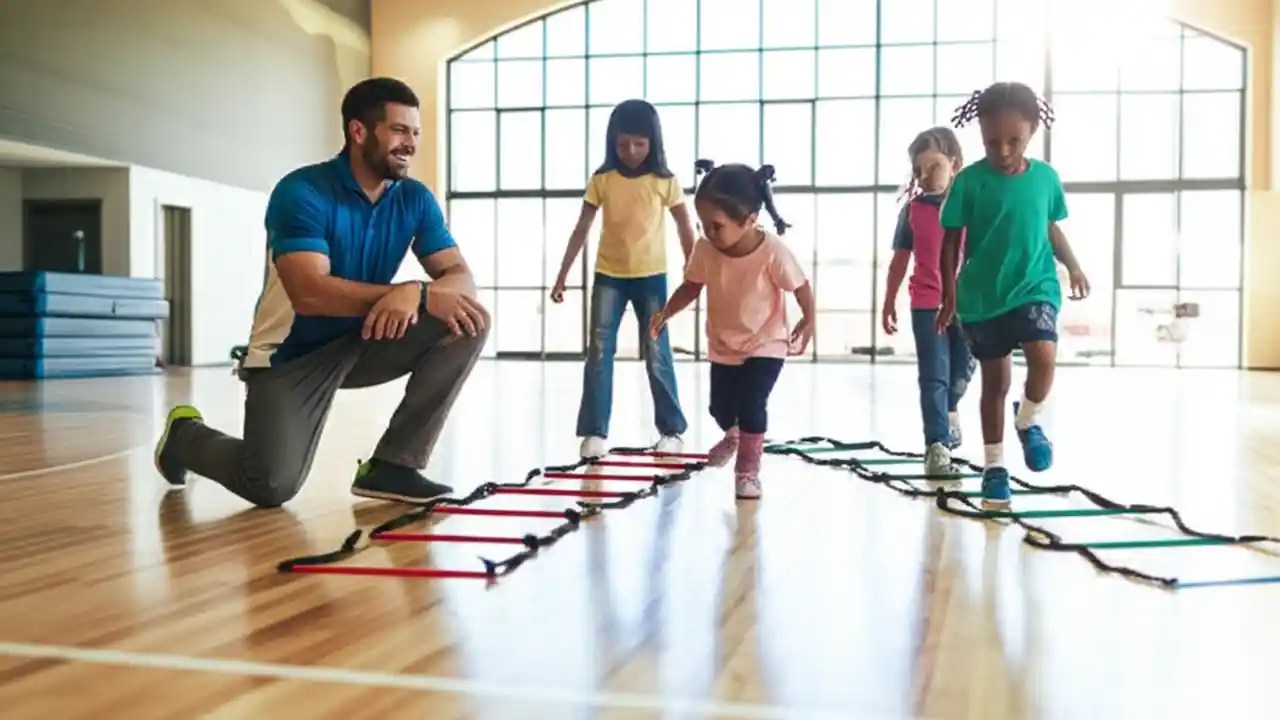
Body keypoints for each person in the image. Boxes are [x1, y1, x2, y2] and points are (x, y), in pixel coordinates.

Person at [152, 77, 491, 508]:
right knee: (269, 484)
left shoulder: (414, 200)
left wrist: (420, 293)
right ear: (359, 132)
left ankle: (394, 466)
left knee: (468, 320)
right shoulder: (301, 192)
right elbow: (310, 293)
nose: (411, 143)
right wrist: (416, 293)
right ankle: (185, 437)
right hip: (291, 355)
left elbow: (459, 276)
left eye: (416, 132)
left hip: (364, 339)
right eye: (399, 131)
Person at [937, 81, 1090, 508]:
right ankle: (994, 466)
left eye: (1014, 140)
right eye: (991, 141)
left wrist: (1073, 265)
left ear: (1033, 131)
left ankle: (1029, 420)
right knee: (995, 382)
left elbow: (1049, 226)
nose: (1003, 150)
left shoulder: (1045, 178)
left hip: (1035, 284)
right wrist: (949, 296)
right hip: (983, 296)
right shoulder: (969, 182)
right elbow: (950, 243)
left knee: (1043, 356)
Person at [648, 160, 815, 500]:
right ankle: (734, 433)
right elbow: (691, 286)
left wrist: (808, 320)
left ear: (750, 220)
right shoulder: (706, 250)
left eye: (717, 226)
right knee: (720, 407)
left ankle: (748, 472)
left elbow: (801, 287)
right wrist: (666, 312)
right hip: (724, 344)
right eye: (703, 224)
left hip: (766, 343)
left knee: (753, 401)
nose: (708, 232)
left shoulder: (772, 252)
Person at [550, 99, 697, 459]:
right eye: (622, 144)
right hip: (609, 278)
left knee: (657, 351)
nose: (630, 152)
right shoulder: (602, 180)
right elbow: (581, 228)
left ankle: (672, 430)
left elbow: (684, 225)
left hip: (652, 279)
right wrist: (562, 275)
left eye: (639, 144)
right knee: (599, 352)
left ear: (653, 143)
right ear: (612, 143)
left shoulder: (665, 181)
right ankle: (594, 433)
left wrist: (695, 272)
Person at [881, 127, 976, 477]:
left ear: (955, 163)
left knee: (963, 370)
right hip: (927, 304)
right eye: (918, 170)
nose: (925, 176)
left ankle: (951, 408)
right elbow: (899, 261)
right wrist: (888, 301)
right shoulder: (912, 211)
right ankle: (936, 446)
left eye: (933, 165)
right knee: (932, 375)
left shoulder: (972, 205)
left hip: (969, 305)